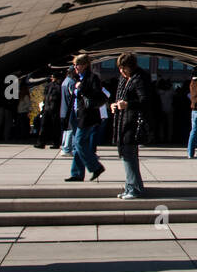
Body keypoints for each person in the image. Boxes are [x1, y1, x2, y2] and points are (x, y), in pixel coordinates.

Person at [110, 53, 148, 200]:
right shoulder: (124, 79)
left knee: (129, 155)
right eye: (120, 68)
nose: (121, 71)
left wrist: (128, 104)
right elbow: (121, 98)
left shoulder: (139, 79)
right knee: (126, 154)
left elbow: (145, 100)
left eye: (123, 68)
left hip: (132, 122)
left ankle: (134, 188)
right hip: (123, 121)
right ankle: (131, 186)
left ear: (130, 67)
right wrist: (115, 105)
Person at [63, 53, 107, 182]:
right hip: (77, 114)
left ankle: (95, 166)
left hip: (88, 115)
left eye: (78, 64)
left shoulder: (92, 78)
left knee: (79, 142)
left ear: (86, 65)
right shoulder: (77, 78)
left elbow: (95, 94)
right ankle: (77, 173)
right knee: (79, 145)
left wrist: (80, 87)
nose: (76, 67)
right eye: (75, 64)